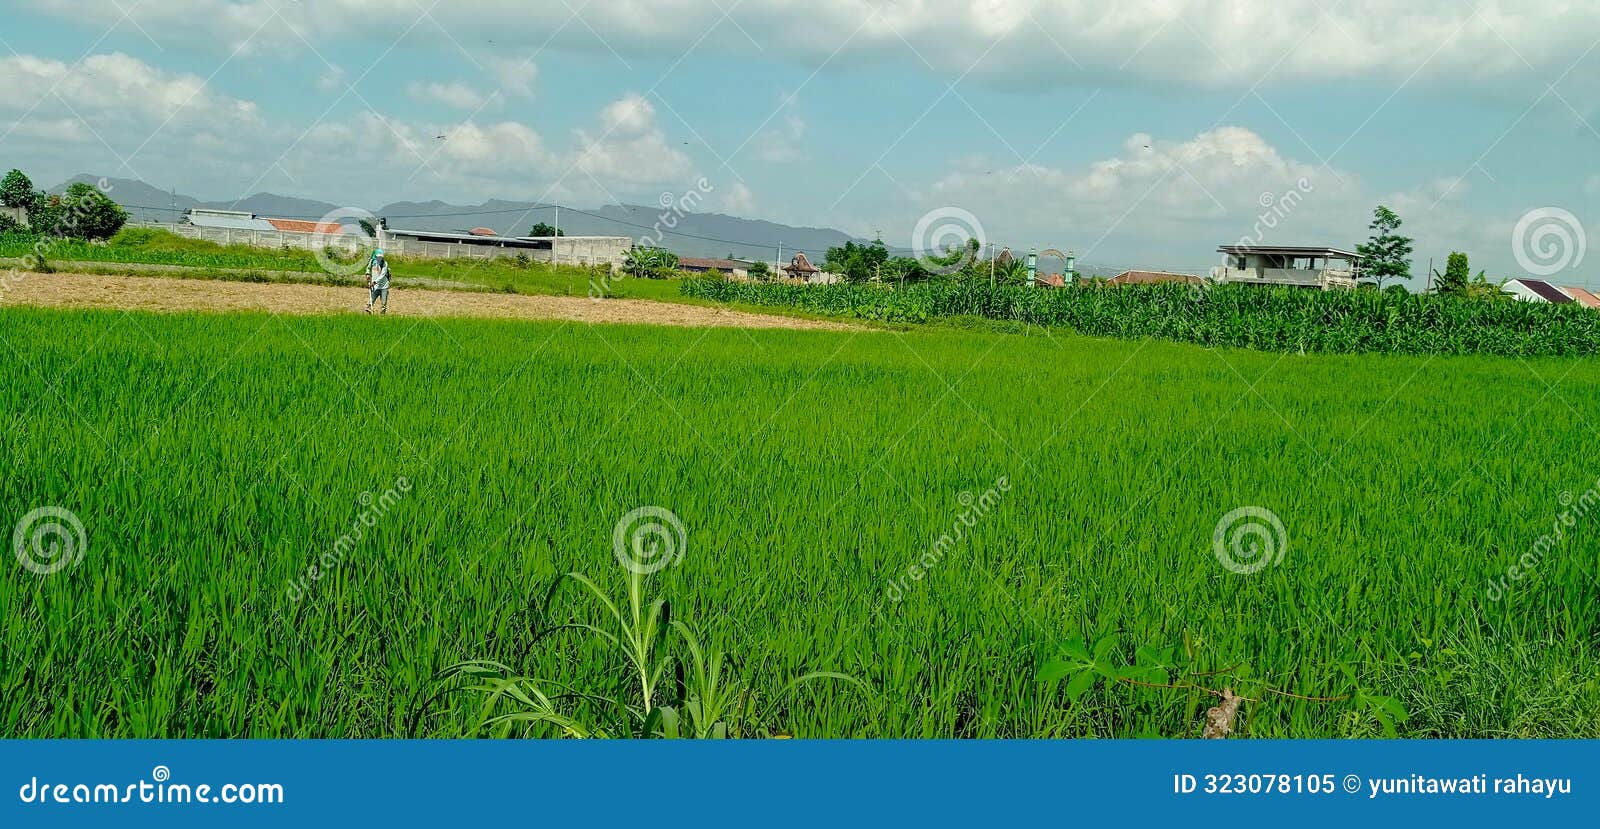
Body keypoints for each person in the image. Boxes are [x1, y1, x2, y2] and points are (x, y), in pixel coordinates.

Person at [364, 249, 390, 314]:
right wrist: (367, 274)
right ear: (375, 256)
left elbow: (382, 275)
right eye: (378, 257)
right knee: (371, 299)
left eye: (380, 257)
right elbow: (368, 268)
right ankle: (369, 310)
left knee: (383, 302)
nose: (379, 258)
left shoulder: (384, 263)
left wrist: (374, 282)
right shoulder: (372, 261)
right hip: (375, 286)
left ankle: (382, 314)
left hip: (384, 286)